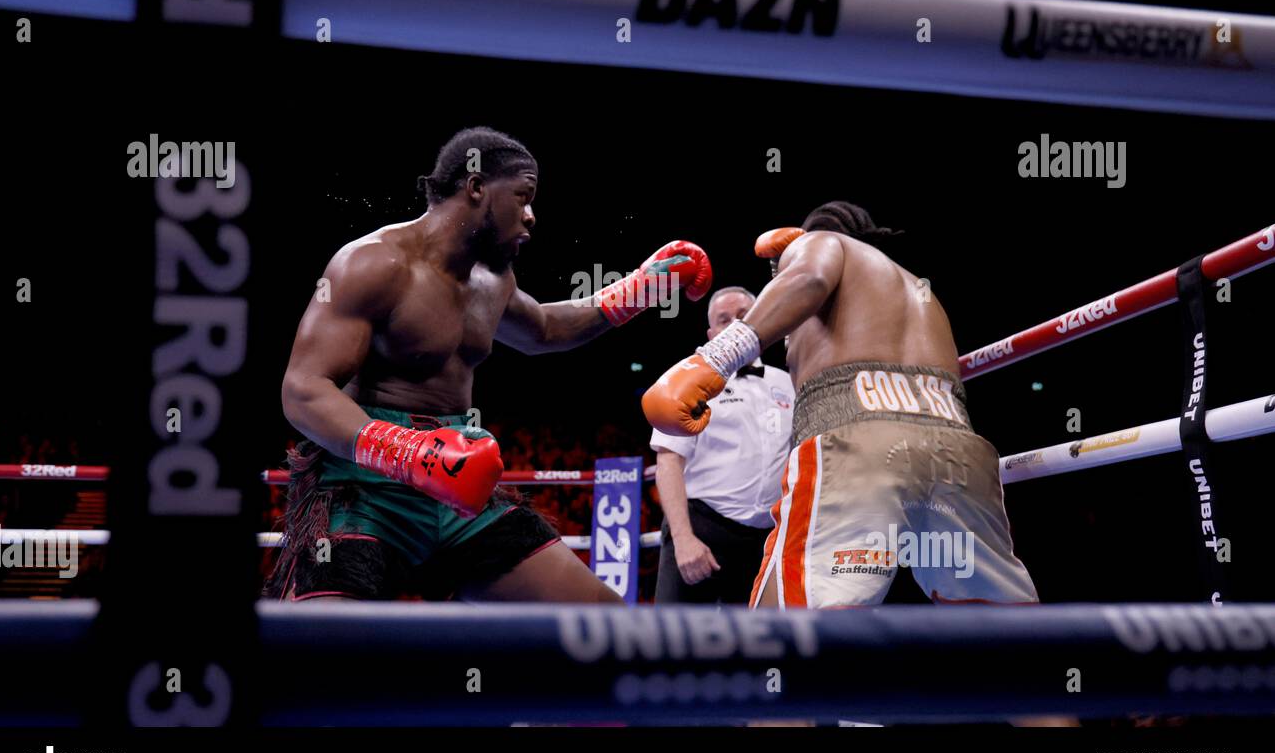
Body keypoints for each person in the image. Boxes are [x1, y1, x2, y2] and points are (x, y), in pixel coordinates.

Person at [265, 126, 711, 603]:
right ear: (476, 187)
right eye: (522, 196)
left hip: (461, 489)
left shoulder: (492, 278)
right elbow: (303, 388)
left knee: (602, 620)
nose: (531, 215)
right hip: (364, 488)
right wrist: (409, 452)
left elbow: (544, 329)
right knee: (325, 655)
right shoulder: (373, 263)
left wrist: (640, 289)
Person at [643, 201, 1037, 608]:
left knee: (785, 623)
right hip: (957, 445)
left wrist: (716, 357)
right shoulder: (920, 291)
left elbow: (810, 277)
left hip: (858, 439)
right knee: (1000, 625)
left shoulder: (820, 245)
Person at [651, 286, 792, 605]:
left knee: (753, 644)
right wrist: (683, 538)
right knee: (674, 639)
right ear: (711, 332)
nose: (733, 325)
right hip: (701, 525)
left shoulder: (787, 383)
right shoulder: (686, 381)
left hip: (765, 538)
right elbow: (669, 462)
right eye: (723, 319)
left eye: (743, 317)